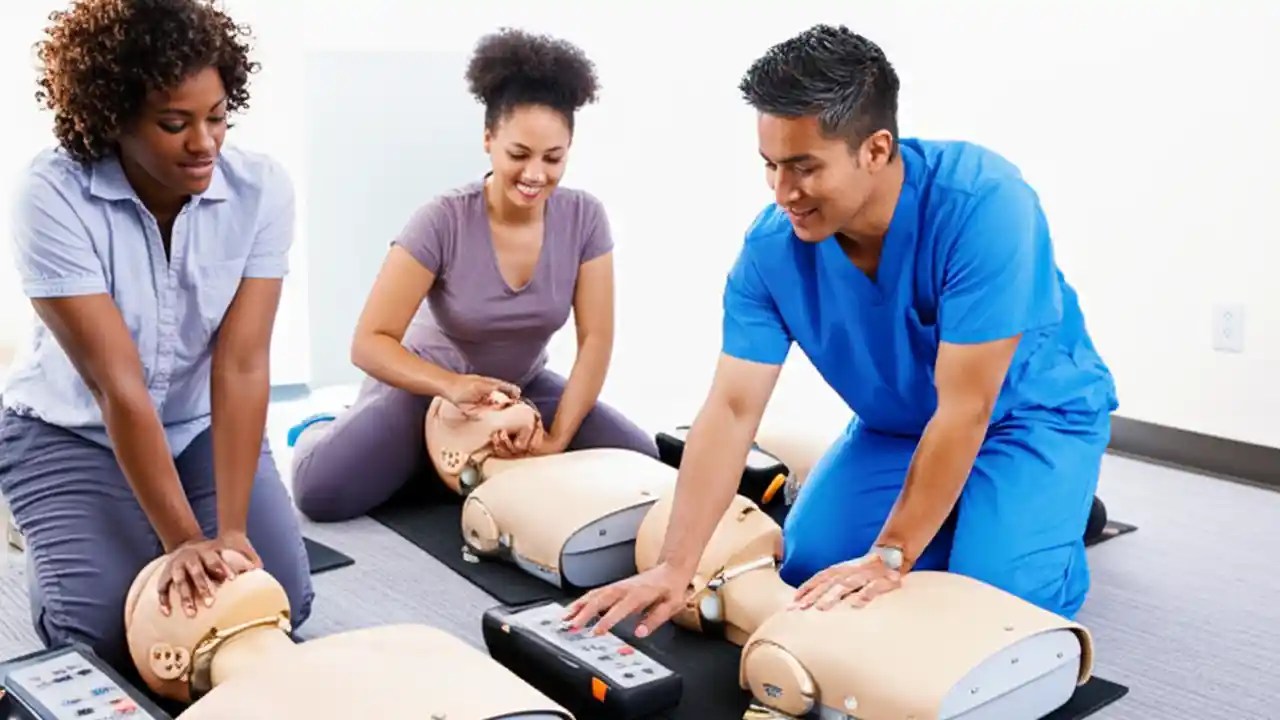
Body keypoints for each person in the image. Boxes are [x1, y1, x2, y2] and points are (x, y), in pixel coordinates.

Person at [564, 24, 1119, 638]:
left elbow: (967, 409)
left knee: (988, 606)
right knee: (813, 566)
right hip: (899, 429)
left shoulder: (985, 204)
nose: (783, 193)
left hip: (1027, 417)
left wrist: (891, 555)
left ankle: (1050, 516)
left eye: (803, 168)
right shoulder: (772, 251)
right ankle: (980, 513)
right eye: (770, 166)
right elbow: (731, 407)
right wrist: (674, 567)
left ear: (876, 149)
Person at [0, 0, 313, 673]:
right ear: (113, 119)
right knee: (101, 638)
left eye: (217, 117)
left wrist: (226, 531)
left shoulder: (261, 191)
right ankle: (52, 526)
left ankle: (148, 520)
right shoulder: (50, 193)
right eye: (175, 124)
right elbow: (117, 385)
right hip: (70, 428)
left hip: (197, 425)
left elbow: (241, 365)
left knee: (276, 597)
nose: (204, 142)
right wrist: (182, 540)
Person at [289, 28, 657, 522]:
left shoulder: (585, 217)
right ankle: (327, 427)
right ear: (488, 140)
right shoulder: (442, 219)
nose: (535, 175)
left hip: (517, 389)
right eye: (519, 154)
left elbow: (596, 339)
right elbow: (369, 342)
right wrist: (451, 387)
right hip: (426, 389)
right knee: (323, 493)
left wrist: (556, 439)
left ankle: (439, 463)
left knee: (642, 463)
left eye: (554, 158)